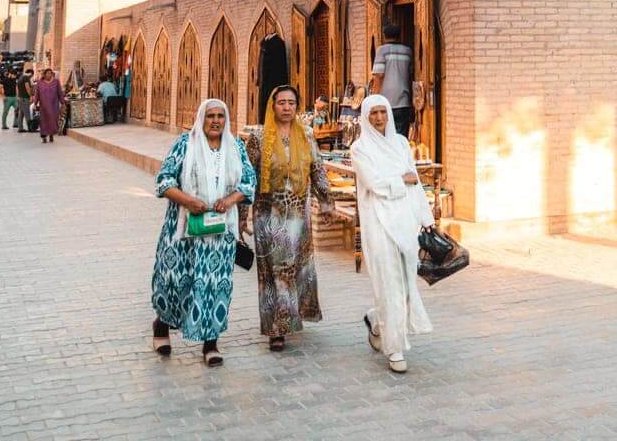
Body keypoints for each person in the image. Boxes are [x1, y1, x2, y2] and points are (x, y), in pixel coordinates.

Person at [152, 98, 256, 367]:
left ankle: (211, 343)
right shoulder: (185, 144)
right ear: (201, 118)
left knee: (214, 288)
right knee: (176, 282)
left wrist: (230, 200)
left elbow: (249, 182)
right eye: (210, 116)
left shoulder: (235, 147)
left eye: (221, 116)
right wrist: (188, 201)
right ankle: (162, 326)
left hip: (219, 236)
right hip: (184, 231)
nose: (216, 121)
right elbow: (163, 181)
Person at [243, 85, 331, 351]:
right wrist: (241, 215)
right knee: (276, 271)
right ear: (272, 105)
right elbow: (247, 179)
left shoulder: (305, 134)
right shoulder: (259, 137)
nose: (286, 107)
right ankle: (276, 328)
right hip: (269, 215)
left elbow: (317, 168)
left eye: (291, 102)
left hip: (298, 215)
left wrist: (325, 200)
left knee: (297, 267)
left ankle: (293, 315)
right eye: (281, 102)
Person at [351, 94, 432, 374]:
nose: (378, 118)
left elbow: (416, 182)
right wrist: (400, 180)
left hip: (406, 220)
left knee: (407, 283)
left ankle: (377, 321)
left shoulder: (400, 143)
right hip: (379, 223)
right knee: (389, 284)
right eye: (372, 113)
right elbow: (375, 184)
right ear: (365, 116)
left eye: (382, 112)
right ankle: (395, 348)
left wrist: (426, 218)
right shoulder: (360, 149)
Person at [368, 22, 414, 140]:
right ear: (399, 35)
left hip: (385, 104)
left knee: (385, 138)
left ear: (384, 35)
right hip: (404, 102)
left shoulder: (382, 51)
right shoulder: (407, 51)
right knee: (400, 138)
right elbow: (410, 75)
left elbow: (379, 75)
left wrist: (373, 99)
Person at [34, 68, 63, 144]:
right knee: (43, 121)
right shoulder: (40, 83)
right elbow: (37, 94)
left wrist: (63, 102)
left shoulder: (56, 82)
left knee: (52, 120)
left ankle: (51, 135)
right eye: (47, 73)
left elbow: (60, 92)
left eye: (50, 73)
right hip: (43, 106)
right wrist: (35, 103)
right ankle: (44, 137)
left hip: (54, 105)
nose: (49, 75)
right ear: (44, 74)